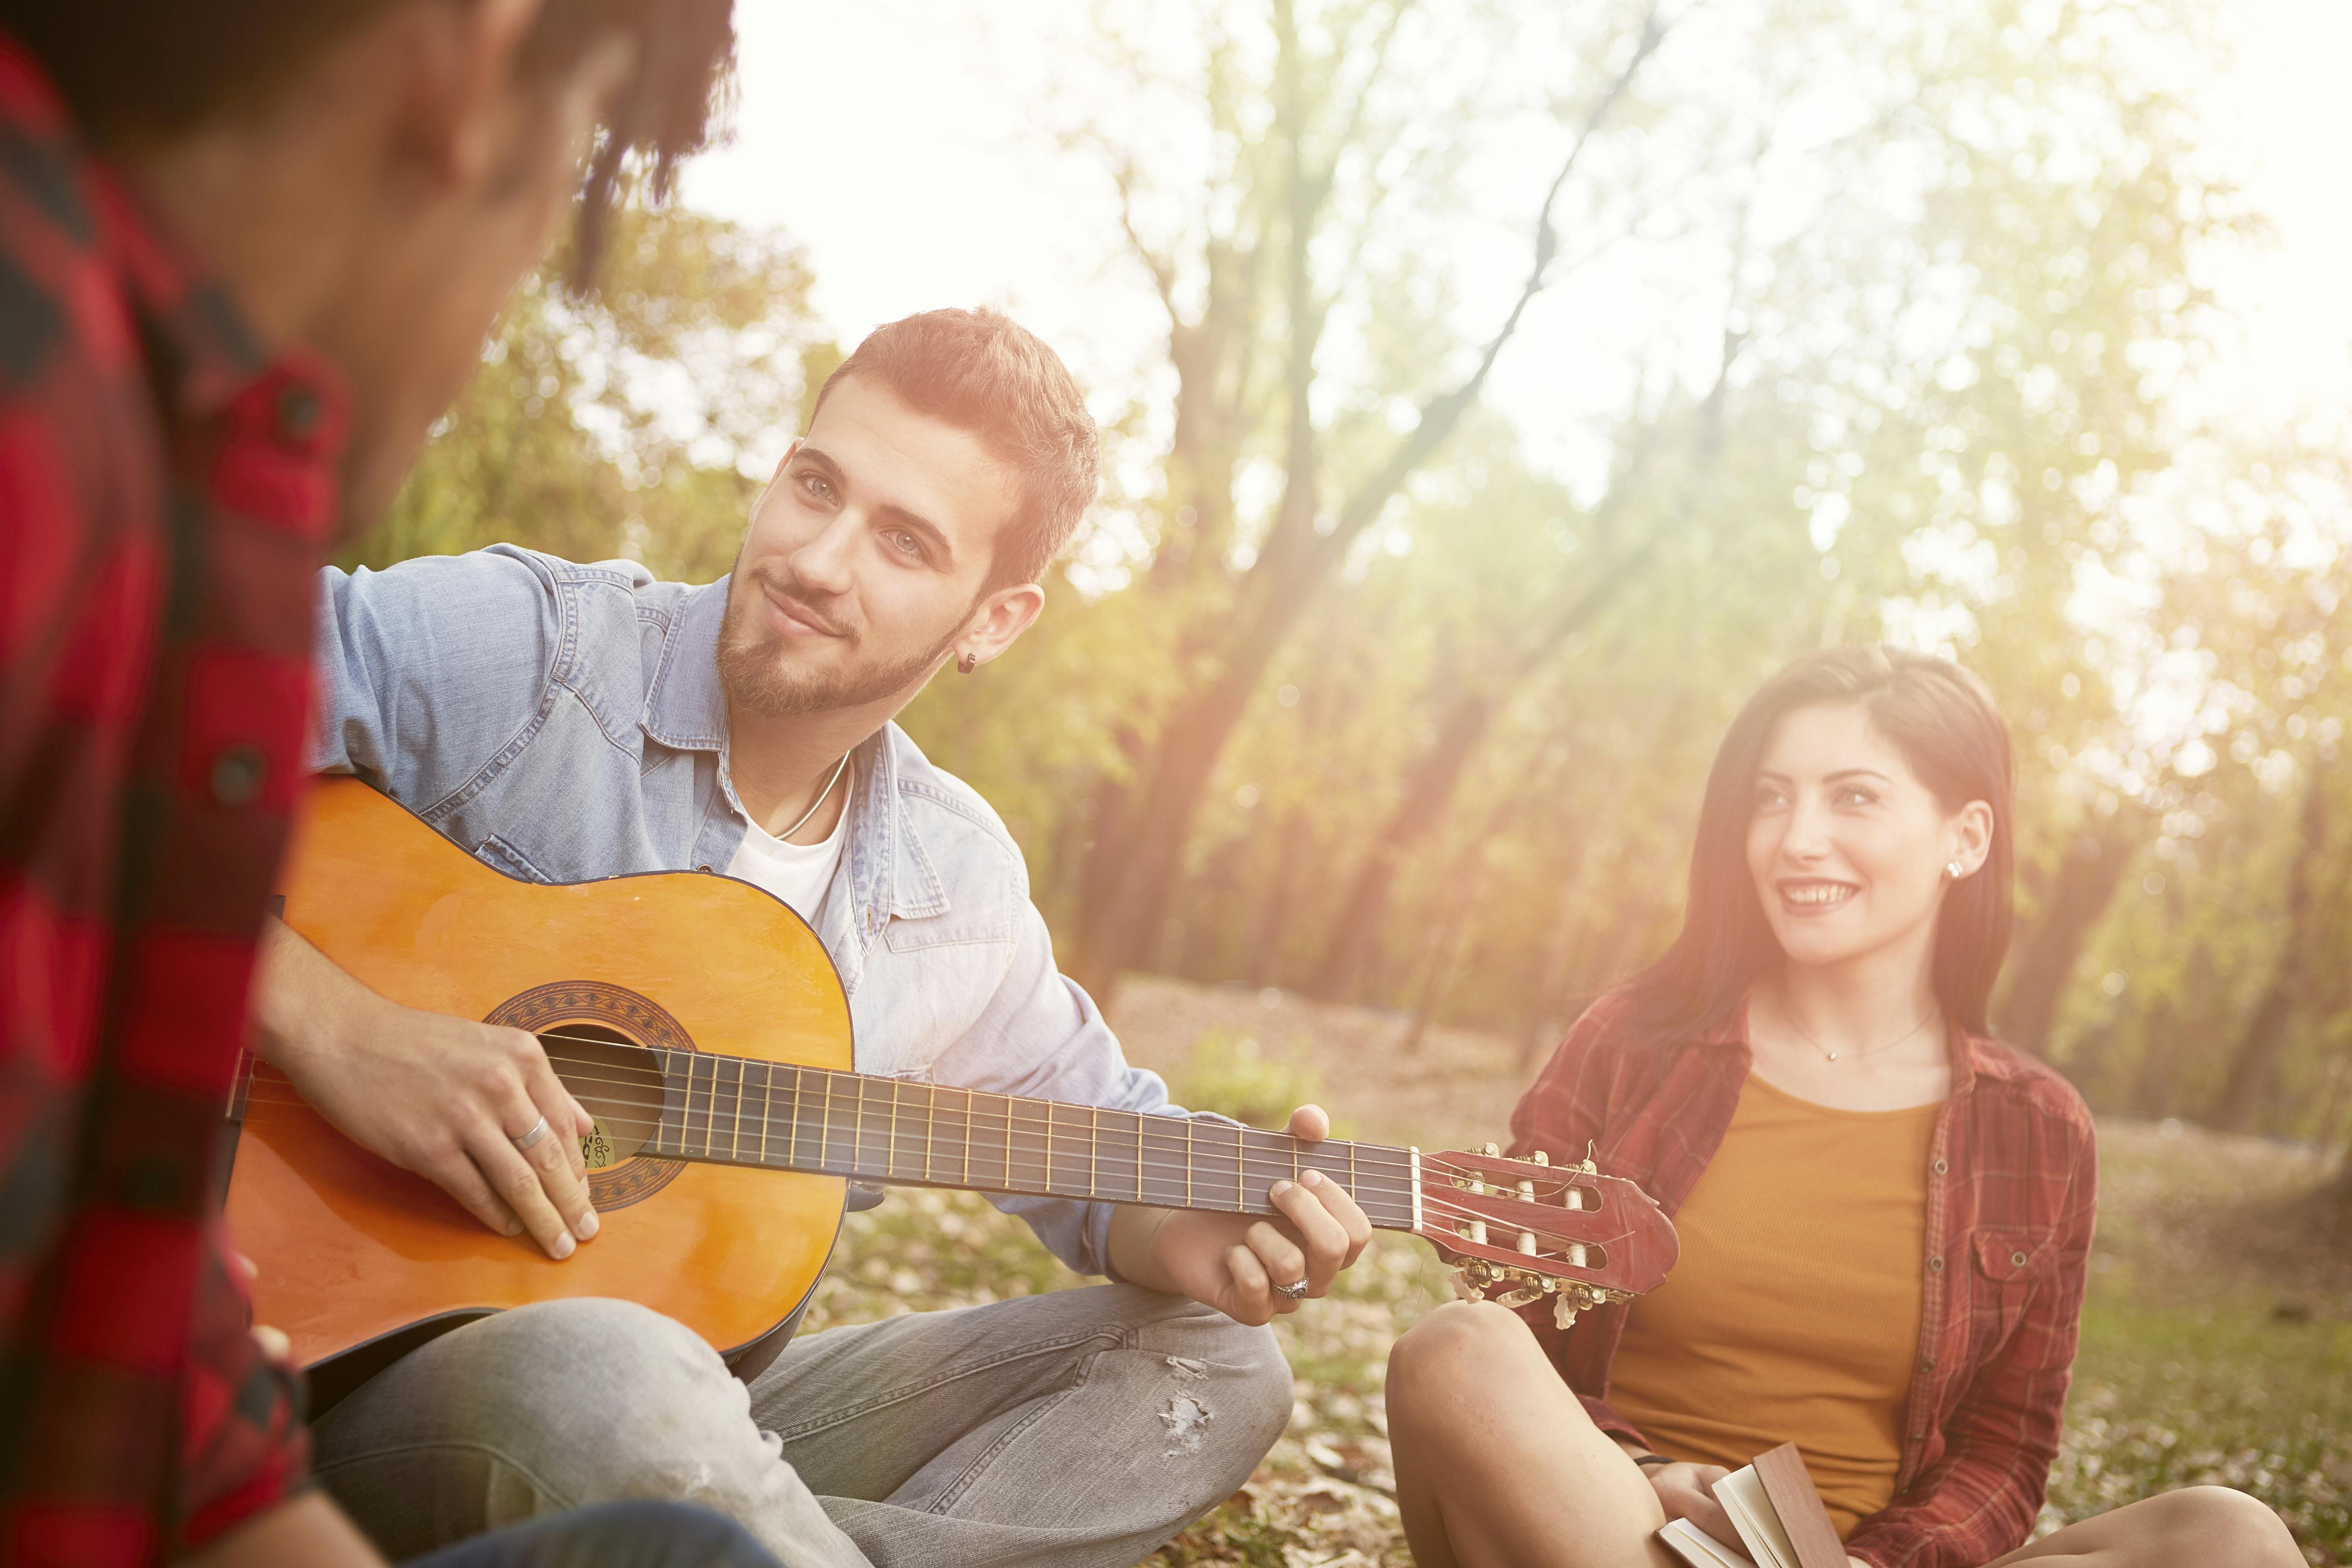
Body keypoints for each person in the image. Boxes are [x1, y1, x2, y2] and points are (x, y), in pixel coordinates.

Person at [254, 305, 1372, 1568]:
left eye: (902, 541)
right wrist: (335, 1022)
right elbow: (85, 690)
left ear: (994, 621)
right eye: (816, 485)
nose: (817, 559)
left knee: (1212, 1364)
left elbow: (1091, 1140)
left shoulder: (950, 886)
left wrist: (1196, 1226)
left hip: (674, 1427)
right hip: (304, 1393)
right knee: (619, 1364)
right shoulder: (529, 657)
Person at [0, 2, 770, 1565]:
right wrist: (339, 1019)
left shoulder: (174, 475)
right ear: (481, 63)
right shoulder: (52, 435)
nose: (494, 315)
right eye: (572, 193)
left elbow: (147, 1379)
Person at [1382, 647, 2300, 1568]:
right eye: (1772, 797)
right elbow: (1525, 1342)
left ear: (1966, 839)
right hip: (1618, 1534)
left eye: (1853, 796)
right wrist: (1643, 1467)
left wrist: (1874, 1563)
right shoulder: (1632, 1045)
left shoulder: (2040, 1130)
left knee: (2231, 1536)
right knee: (1462, 1349)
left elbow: (2007, 1453)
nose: (1796, 838)